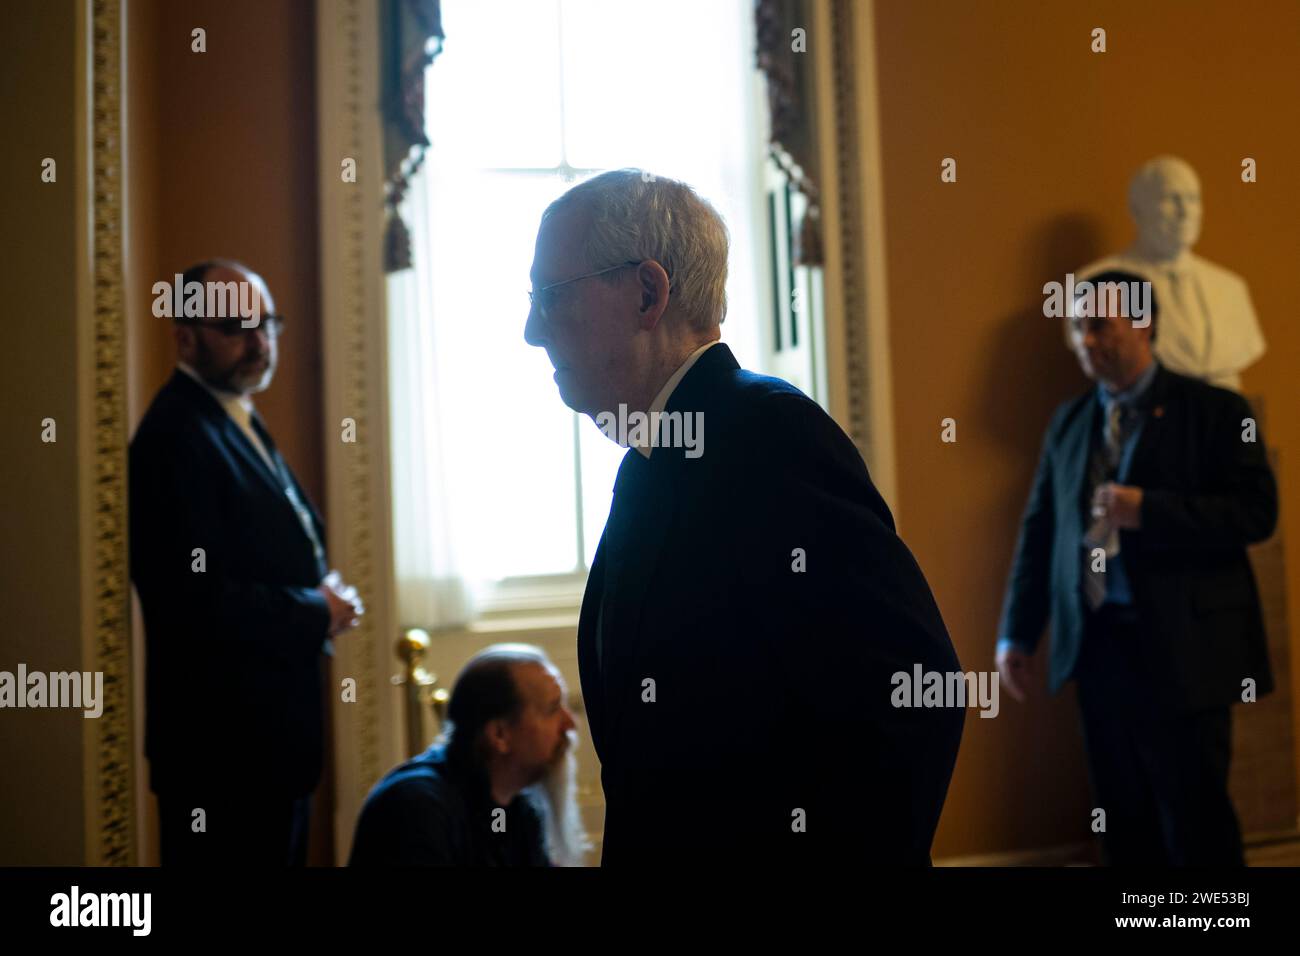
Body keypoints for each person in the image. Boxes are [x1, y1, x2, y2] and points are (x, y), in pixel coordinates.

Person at [524, 169, 964, 866]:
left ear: (647, 292)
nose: (530, 331)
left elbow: (913, 693)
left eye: (550, 297)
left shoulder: (765, 434)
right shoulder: (658, 453)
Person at [997, 269, 1276, 865]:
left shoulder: (1217, 411)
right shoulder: (1068, 423)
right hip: (1098, 647)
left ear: (1144, 323)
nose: (1085, 342)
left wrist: (1150, 511)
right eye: (1075, 329)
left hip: (1187, 650)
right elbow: (1041, 530)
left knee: (1196, 818)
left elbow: (1257, 514)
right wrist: (1017, 633)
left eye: (1099, 326)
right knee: (1121, 820)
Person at [130, 258, 364, 865]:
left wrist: (319, 583)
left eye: (268, 324)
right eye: (237, 327)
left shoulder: (231, 414)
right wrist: (318, 609)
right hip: (220, 756)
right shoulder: (174, 436)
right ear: (184, 336)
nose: (260, 343)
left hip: (267, 745)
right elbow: (192, 601)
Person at [348, 644, 587, 866]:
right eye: (553, 709)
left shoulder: (519, 807)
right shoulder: (416, 808)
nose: (569, 724)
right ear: (500, 735)